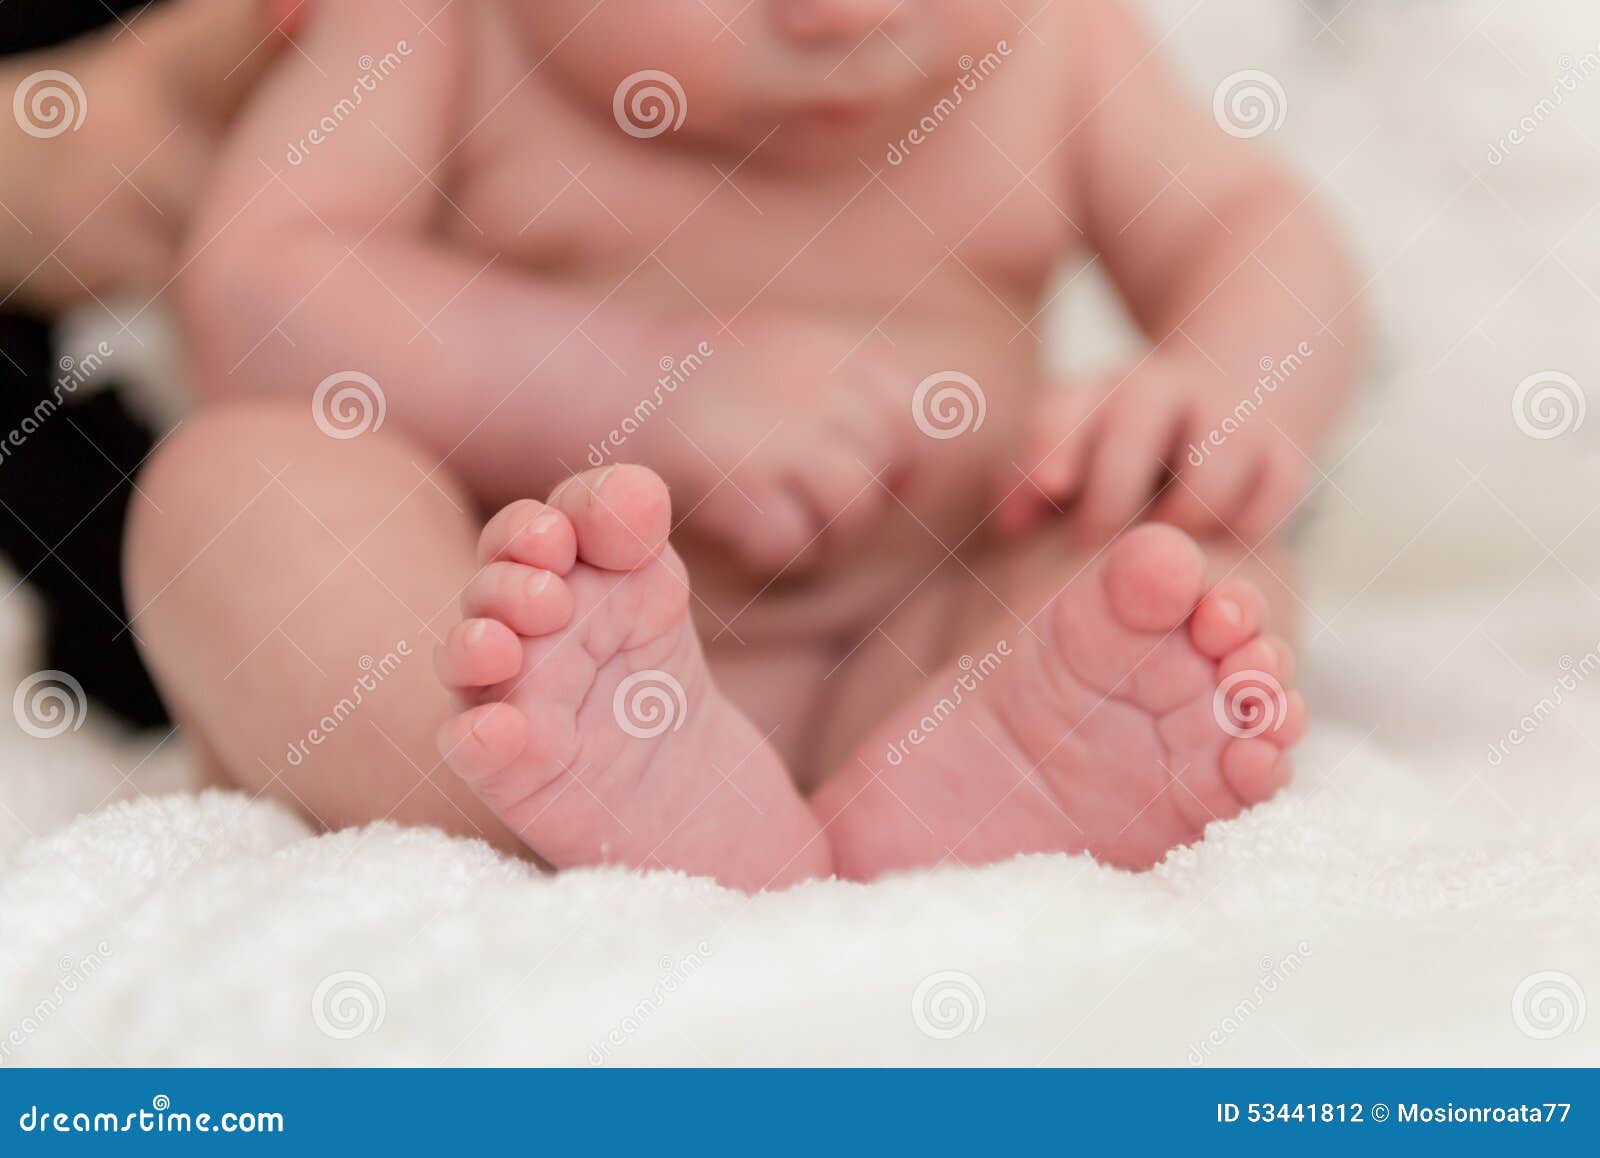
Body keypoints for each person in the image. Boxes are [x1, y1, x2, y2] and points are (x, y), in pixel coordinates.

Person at [127, 0, 1360, 889]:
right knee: (231, 495)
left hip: (943, 633)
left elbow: (1250, 227)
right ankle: (521, 790)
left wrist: (1220, 391)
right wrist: (637, 384)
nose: (845, 16)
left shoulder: (1054, 37)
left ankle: (981, 795)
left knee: (1190, 568)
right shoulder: (440, 26)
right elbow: (261, 295)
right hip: (504, 630)